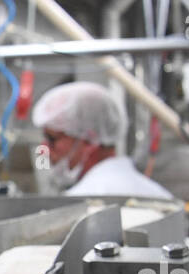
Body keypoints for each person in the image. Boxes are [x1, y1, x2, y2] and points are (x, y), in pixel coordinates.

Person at [32, 81, 174, 199]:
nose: (44, 148)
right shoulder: (159, 195)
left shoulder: (80, 204)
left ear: (89, 141)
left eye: (52, 138)